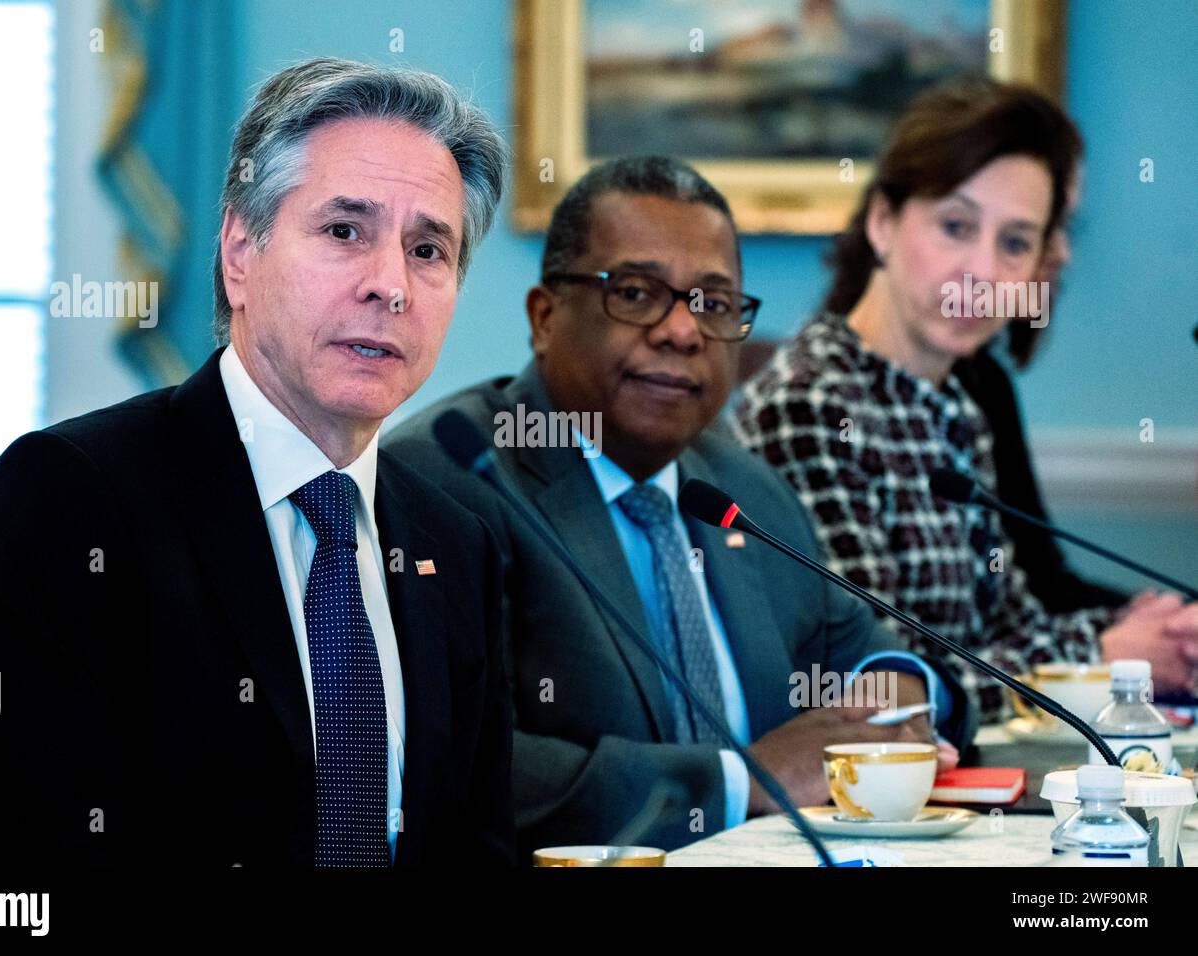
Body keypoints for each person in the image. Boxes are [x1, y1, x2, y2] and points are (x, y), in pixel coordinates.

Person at [0, 57, 514, 866]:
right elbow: (28, 859)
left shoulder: (458, 545)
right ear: (240, 252)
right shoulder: (72, 496)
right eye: (345, 231)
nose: (392, 286)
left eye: (428, 250)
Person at [386, 156, 974, 858]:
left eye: (714, 304)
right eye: (636, 294)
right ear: (544, 318)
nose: (683, 331)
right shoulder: (451, 478)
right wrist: (742, 782)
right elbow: (466, 770)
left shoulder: (742, 487)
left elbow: (855, 646)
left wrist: (893, 698)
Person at [733, 80, 1198, 722]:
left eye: (1013, 244)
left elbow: (1014, 620)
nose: (982, 273)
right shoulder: (810, 406)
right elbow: (887, 685)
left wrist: (1160, 634)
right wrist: (1105, 648)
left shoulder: (956, 405)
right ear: (882, 223)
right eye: (955, 226)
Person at [952, 168, 1130, 613]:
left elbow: (1033, 589)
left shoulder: (983, 379)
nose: (1064, 253)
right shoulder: (828, 398)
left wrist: (1158, 620)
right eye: (1049, 228)